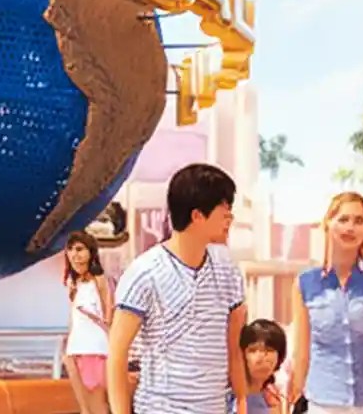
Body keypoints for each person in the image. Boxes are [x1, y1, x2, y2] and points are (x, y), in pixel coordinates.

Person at [106, 163, 248, 414]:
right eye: (224, 210)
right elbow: (117, 356)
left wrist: (242, 401)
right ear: (197, 216)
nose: (230, 218)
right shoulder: (144, 273)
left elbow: (233, 346)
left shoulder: (227, 268)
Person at [289, 191, 363, 414]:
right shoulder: (305, 284)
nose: (350, 227)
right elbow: (302, 351)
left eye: (359, 221)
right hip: (323, 402)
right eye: (343, 219)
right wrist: (294, 391)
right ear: (328, 224)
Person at [63, 230, 112, 414]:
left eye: (80, 249)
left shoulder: (99, 281)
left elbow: (109, 314)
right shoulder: (73, 283)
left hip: (95, 349)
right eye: (71, 250)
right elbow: (73, 318)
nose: (75, 255)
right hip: (74, 350)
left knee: (98, 405)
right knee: (84, 408)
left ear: (90, 253)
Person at [233, 319, 289, 413]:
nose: (260, 357)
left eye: (269, 350)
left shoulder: (273, 399)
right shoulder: (230, 399)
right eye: (253, 350)